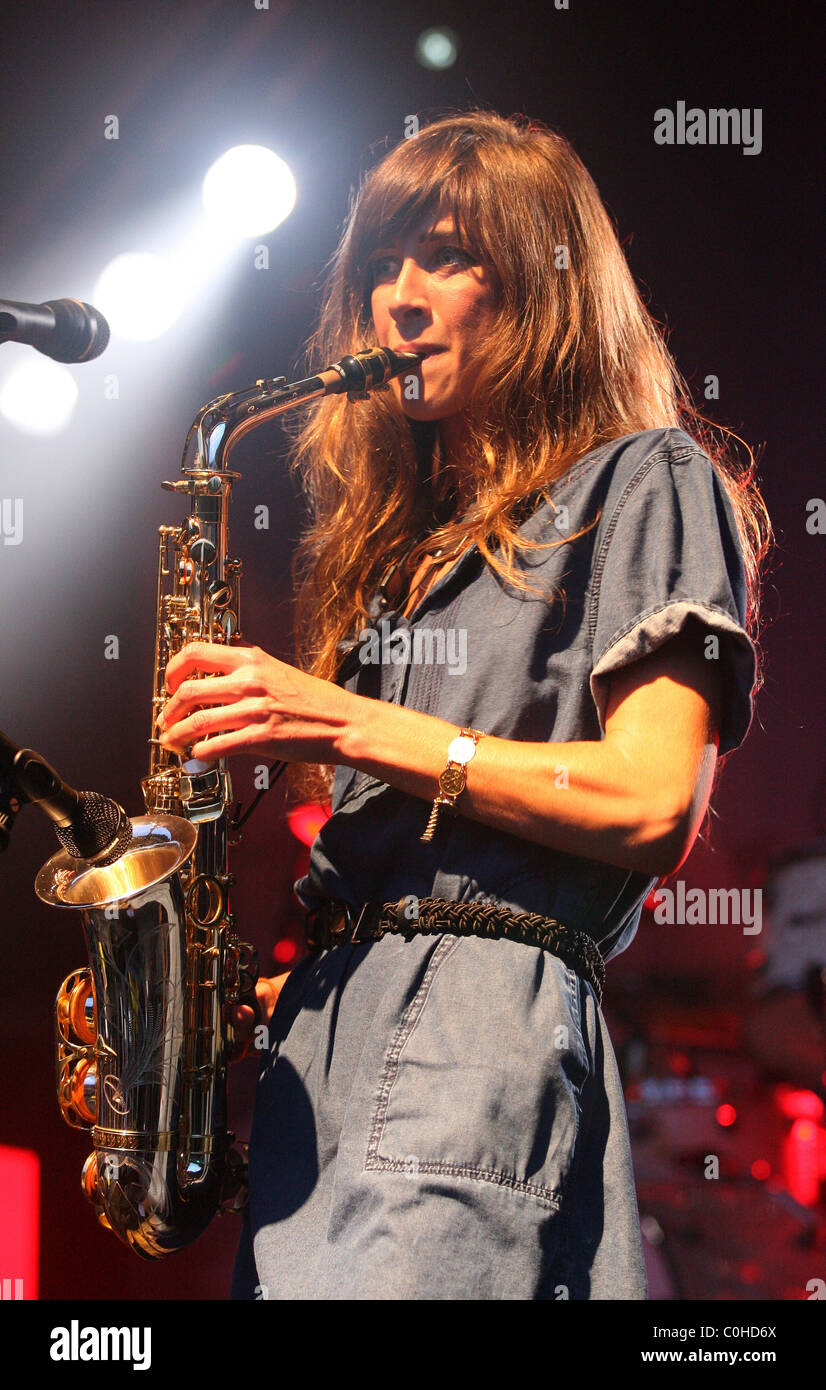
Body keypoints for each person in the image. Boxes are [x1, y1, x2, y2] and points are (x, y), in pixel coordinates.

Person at [156, 110, 770, 1300]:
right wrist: (307, 985)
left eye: (445, 255)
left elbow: (648, 802)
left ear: (545, 283)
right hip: (336, 1073)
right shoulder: (404, 560)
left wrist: (336, 719)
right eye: (381, 262)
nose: (396, 294)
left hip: (472, 1050)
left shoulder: (646, 478)